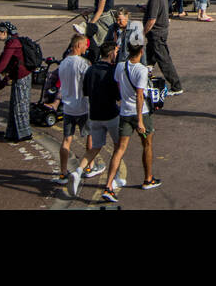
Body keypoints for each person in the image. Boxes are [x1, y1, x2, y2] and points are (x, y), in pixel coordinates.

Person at [100, 40, 158, 202]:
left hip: (124, 112)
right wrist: (140, 121)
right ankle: (148, 179)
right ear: (141, 52)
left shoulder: (120, 67)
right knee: (147, 144)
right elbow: (140, 96)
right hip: (141, 114)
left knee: (119, 149)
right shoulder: (141, 70)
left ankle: (108, 185)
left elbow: (118, 85)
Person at [56, 34, 93, 196]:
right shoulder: (83, 64)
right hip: (83, 107)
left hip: (68, 107)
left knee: (66, 140)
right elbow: (89, 83)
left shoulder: (63, 63)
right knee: (90, 136)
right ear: (78, 45)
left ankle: (63, 172)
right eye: (85, 45)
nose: (87, 47)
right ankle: (89, 167)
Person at [81, 40, 119, 186]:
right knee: (118, 147)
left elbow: (85, 91)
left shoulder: (90, 70)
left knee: (95, 147)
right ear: (111, 53)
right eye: (115, 52)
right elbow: (117, 96)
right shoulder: (111, 71)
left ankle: (78, 171)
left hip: (94, 114)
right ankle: (113, 179)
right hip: (110, 114)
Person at [141, 0, 182, 96]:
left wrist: (142, 33)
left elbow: (152, 20)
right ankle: (145, 78)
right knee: (149, 59)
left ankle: (176, 86)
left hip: (156, 34)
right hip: (159, 33)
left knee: (164, 60)